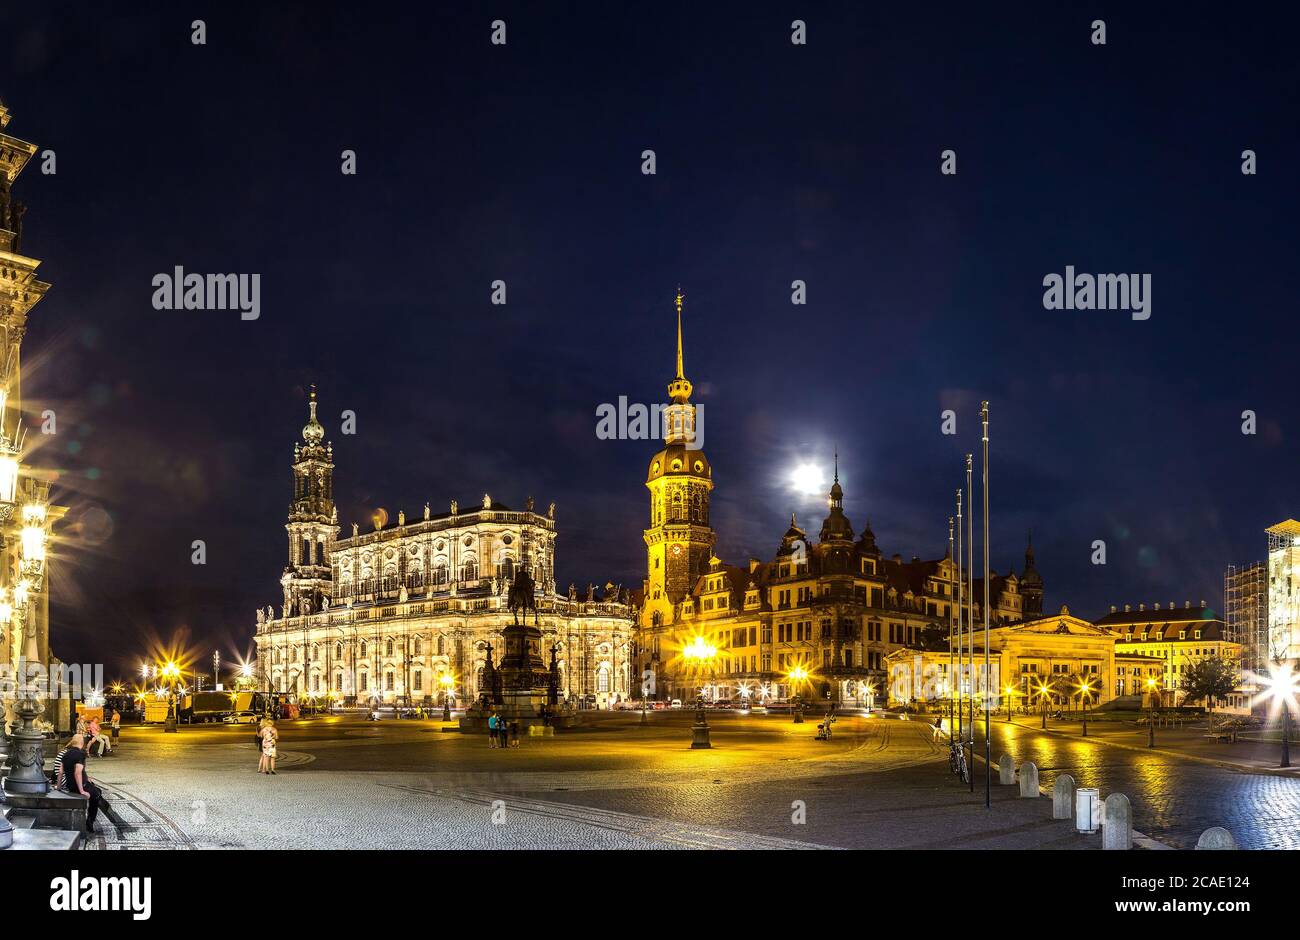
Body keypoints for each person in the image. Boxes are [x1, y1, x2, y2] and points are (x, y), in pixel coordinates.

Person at [59, 734, 105, 834]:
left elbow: (60, 772)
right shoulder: (80, 754)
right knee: (97, 795)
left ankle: (91, 819)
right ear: (82, 742)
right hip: (80, 785)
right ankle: (90, 821)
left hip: (70, 785)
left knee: (96, 791)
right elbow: (77, 772)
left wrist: (58, 787)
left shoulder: (66, 754)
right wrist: (82, 791)